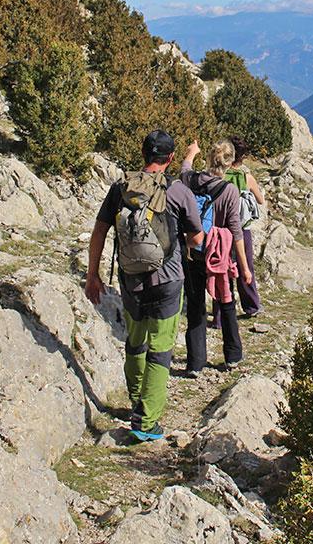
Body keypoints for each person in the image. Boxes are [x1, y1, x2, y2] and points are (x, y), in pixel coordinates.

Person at [84, 130, 202, 442]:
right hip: (168, 279)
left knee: (135, 341)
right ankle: (146, 421)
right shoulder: (177, 191)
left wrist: (92, 274)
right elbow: (196, 238)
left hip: (131, 280)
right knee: (161, 347)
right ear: (171, 158)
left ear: (144, 155)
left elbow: (99, 231)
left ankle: (136, 400)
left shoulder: (121, 187)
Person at [181, 139, 252, 376]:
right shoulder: (229, 191)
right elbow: (235, 230)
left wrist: (191, 152)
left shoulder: (191, 180)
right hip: (219, 254)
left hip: (193, 252)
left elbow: (184, 168)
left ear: (209, 159)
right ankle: (232, 355)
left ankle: (195, 362)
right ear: (230, 163)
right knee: (226, 302)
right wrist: (244, 267)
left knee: (195, 306)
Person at [224, 136, 265, 318]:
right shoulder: (246, 178)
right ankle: (251, 307)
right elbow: (260, 200)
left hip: (222, 230)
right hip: (242, 230)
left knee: (223, 270)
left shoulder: (219, 176)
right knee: (245, 267)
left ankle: (222, 312)